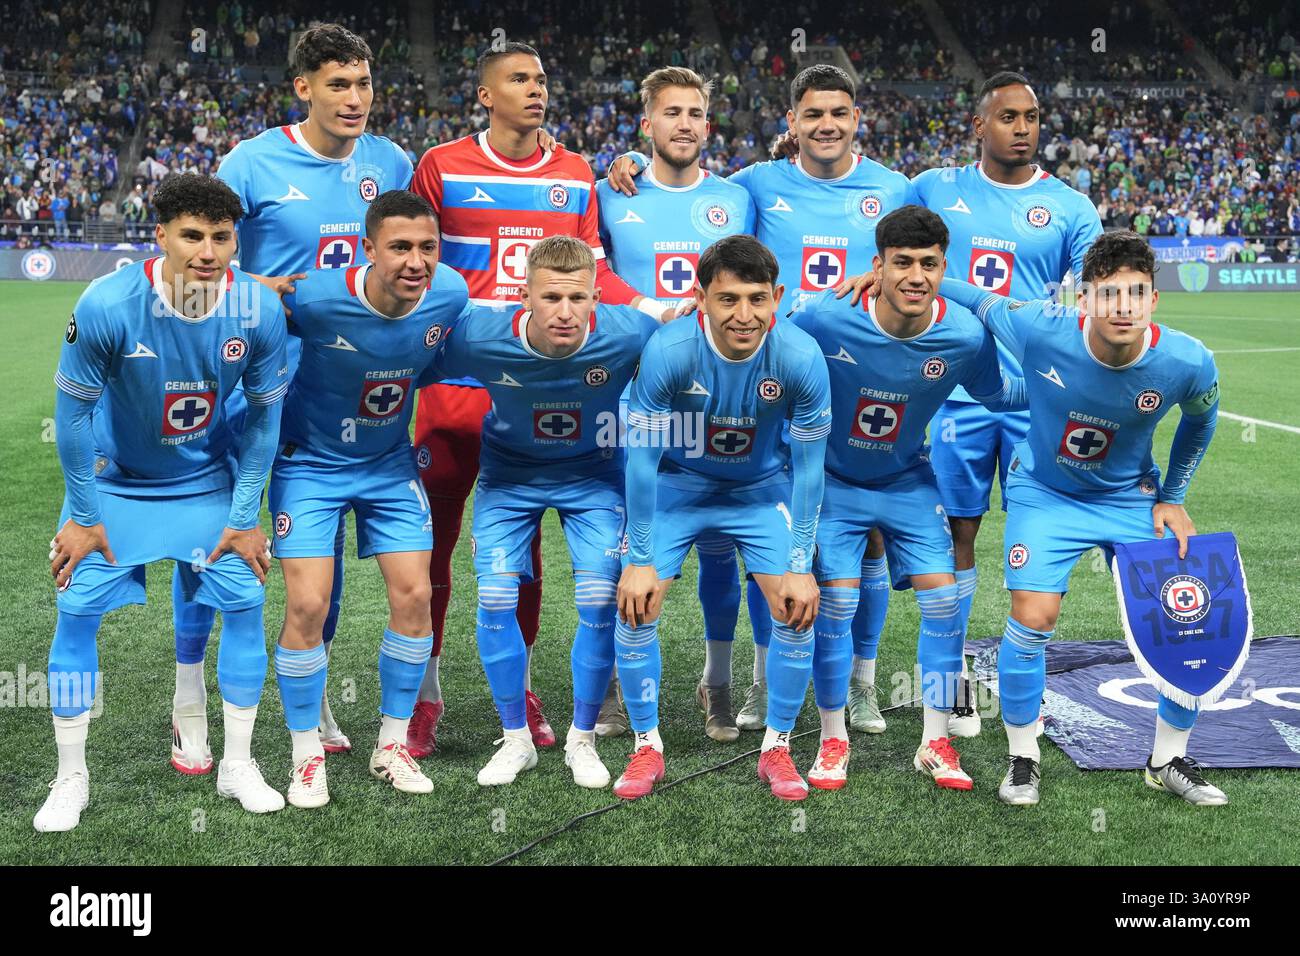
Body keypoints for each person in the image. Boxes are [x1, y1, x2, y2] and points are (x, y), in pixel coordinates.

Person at [607, 64, 913, 733]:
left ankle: (860, 682)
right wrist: (629, 160)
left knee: (864, 543)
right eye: (812, 114)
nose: (826, 125)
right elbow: (674, 176)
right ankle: (740, 681)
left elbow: (918, 258)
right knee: (729, 537)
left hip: (851, 379)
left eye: (839, 112)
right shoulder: (752, 187)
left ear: (858, 117)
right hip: (739, 381)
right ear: (791, 123)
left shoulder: (894, 188)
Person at [164, 23, 413, 771]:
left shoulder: (390, 160)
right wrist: (256, 287)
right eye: (338, 84)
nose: (355, 99)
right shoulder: (252, 161)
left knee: (319, 545)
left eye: (364, 83)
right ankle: (188, 702)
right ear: (302, 88)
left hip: (337, 388)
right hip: (245, 378)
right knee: (209, 537)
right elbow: (197, 253)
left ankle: (321, 689)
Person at [409, 41, 659, 755]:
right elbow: (414, 261)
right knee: (436, 546)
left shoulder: (576, 172)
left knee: (524, 556)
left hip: (542, 384)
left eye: (543, 78)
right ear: (485, 95)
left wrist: (654, 310)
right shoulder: (441, 165)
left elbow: (594, 276)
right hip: (461, 383)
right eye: (518, 78)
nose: (535, 88)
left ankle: (519, 694)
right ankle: (427, 694)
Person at [939, 231, 1224, 806]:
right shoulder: (1040, 325)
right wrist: (903, 280)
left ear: (1153, 300)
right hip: (1045, 493)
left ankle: (1167, 758)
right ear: (1084, 298)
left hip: (1129, 498)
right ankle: (1023, 756)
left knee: (1181, 617)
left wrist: (1172, 495)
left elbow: (1202, 420)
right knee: (1033, 618)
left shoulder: (1187, 361)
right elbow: (977, 298)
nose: (1123, 305)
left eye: (1136, 292)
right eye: (1109, 292)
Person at [40, 173, 288, 831]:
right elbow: (71, 419)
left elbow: (265, 423)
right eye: (192, 235)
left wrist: (243, 520)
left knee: (245, 600)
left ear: (236, 240)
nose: (208, 251)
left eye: (221, 237)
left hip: (204, 486)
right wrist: (84, 518)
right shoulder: (107, 303)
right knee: (75, 612)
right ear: (161, 237)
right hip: (115, 486)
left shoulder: (259, 310)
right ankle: (71, 776)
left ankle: (237, 764)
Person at [791, 205, 1025, 791]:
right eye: (901, 263)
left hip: (908, 482)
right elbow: (768, 346)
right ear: (876, 267)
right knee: (836, 609)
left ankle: (935, 740)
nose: (915, 276)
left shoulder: (964, 335)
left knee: (944, 608)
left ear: (944, 269)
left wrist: (1075, 383)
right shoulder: (827, 316)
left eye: (928, 264)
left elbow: (999, 394)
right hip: (836, 486)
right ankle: (831, 739)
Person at [908, 71, 1102, 737]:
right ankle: (950, 679)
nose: (1023, 128)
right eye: (1009, 116)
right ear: (978, 125)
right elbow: (890, 240)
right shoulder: (935, 189)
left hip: (1036, 404)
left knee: (1034, 538)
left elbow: (1094, 297)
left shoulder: (1073, 208)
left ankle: (1025, 693)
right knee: (954, 537)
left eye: (1032, 116)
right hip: (950, 393)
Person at [431, 236, 660, 789]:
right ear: (524, 295)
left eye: (578, 298)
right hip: (509, 478)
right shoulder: (481, 334)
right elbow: (407, 354)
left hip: (594, 474)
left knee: (600, 597)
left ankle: (582, 739)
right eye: (551, 297)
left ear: (596, 297)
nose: (565, 312)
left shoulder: (633, 333)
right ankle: (515, 740)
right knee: (493, 594)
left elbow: (689, 350)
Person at [268, 190, 467, 807]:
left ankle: (391, 745)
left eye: (427, 248)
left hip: (387, 464)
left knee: (415, 595)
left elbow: (431, 361)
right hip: (309, 465)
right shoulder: (315, 296)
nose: (416, 262)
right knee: (307, 604)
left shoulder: (450, 294)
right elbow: (247, 311)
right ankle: (305, 755)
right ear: (368, 249)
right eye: (400, 248)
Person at [616, 235, 831, 801]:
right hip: (680, 486)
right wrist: (638, 560)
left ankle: (777, 749)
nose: (744, 315)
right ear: (701, 298)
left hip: (761, 490)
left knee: (794, 601)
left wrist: (802, 560)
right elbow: (640, 459)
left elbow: (809, 471)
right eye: (728, 299)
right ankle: (646, 746)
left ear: (777, 297)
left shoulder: (801, 357)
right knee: (636, 602)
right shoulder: (669, 350)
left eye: (758, 299)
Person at [595, 66, 756, 742]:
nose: (686, 123)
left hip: (719, 402)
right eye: (672, 112)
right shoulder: (607, 195)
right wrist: (645, 308)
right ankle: (609, 684)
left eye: (696, 112)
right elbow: (590, 267)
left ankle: (716, 684)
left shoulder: (738, 198)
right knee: (621, 546)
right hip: (630, 394)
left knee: (718, 547)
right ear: (647, 123)